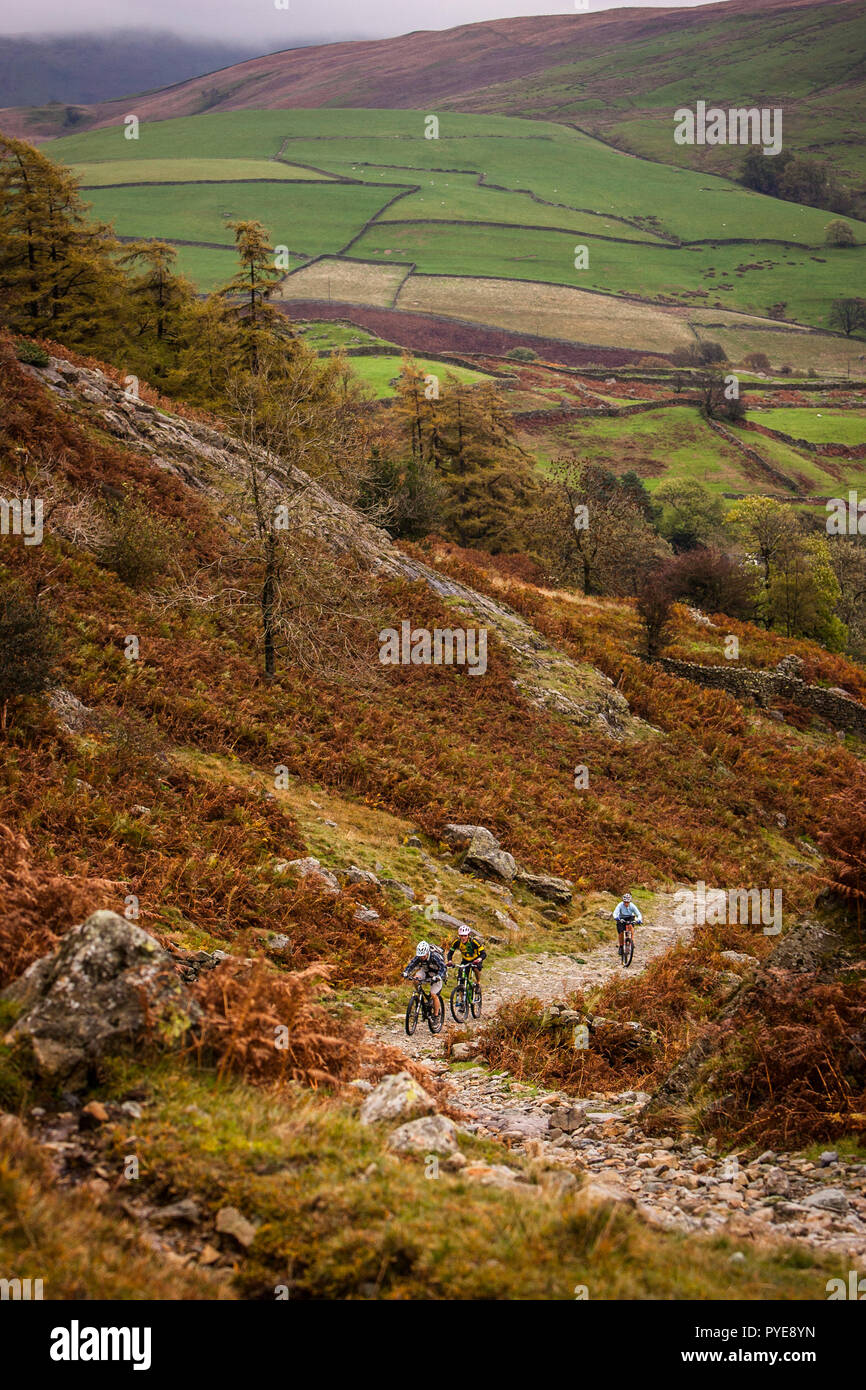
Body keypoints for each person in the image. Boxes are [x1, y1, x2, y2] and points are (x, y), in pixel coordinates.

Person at [402, 939, 447, 1019]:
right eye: (420, 956)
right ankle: (419, 994)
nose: (422, 958)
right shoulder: (418, 957)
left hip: (437, 974)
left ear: (427, 953)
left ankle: (436, 1015)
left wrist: (439, 976)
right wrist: (406, 972)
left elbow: (443, 967)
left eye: (424, 956)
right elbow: (411, 965)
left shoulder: (435, 956)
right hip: (425, 971)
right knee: (415, 979)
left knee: (434, 994)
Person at [613, 892, 642, 959]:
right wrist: (616, 917)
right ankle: (621, 946)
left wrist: (639, 919)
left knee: (631, 926)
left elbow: (638, 914)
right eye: (625, 902)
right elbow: (615, 912)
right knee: (621, 932)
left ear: (630, 902)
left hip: (630, 917)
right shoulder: (620, 905)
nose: (626, 904)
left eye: (628, 902)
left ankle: (631, 941)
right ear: (623, 901)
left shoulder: (632, 906)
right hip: (621, 918)